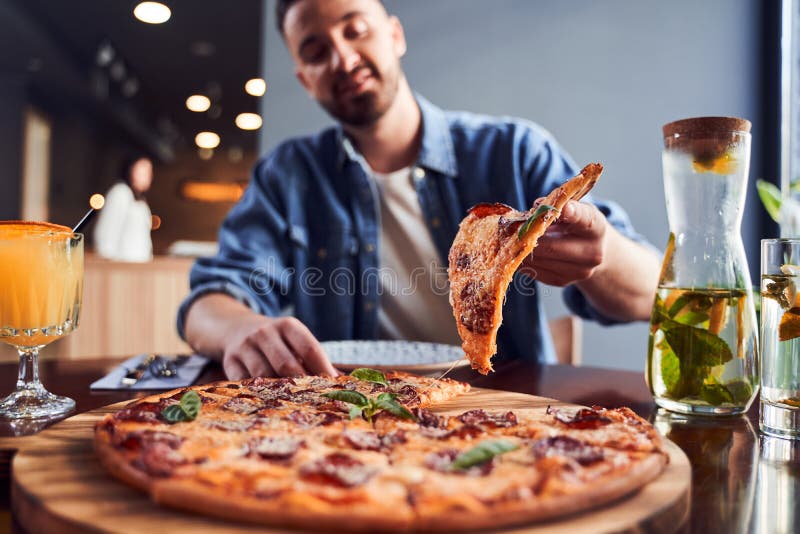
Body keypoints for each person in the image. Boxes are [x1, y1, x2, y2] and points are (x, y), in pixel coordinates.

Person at [178, 0, 661, 380]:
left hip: (506, 416)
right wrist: (241, 329)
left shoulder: (514, 150)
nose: (343, 58)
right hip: (345, 423)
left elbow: (651, 294)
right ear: (305, 80)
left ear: (394, 34)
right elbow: (208, 302)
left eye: (355, 28)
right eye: (315, 51)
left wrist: (602, 255)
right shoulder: (289, 175)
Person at [93, 155, 154, 262]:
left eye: (149, 172)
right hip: (122, 266)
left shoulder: (140, 200)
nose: (147, 177)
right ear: (130, 170)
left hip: (139, 266)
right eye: (142, 172)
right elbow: (107, 233)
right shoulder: (120, 193)